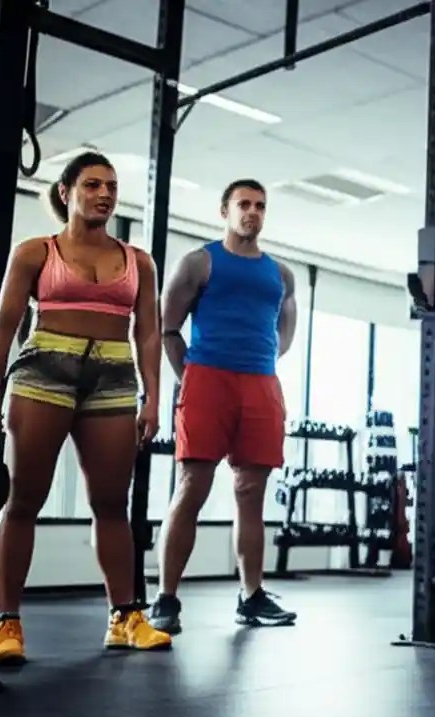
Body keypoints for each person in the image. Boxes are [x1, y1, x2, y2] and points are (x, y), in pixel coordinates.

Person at [0, 151, 172, 664]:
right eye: (92, 185)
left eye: (110, 186)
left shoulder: (139, 262)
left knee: (112, 503)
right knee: (24, 500)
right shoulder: (35, 253)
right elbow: (2, 328)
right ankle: (6, 624)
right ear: (66, 193)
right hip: (45, 371)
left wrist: (153, 397)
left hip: (113, 376)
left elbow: (148, 333)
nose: (104, 194)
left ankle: (125, 616)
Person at [147, 179, 298, 633]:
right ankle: (166, 599)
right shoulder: (200, 262)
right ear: (224, 210)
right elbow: (168, 327)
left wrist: (264, 360)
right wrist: (191, 375)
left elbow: (285, 332)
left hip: (260, 384)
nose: (252, 212)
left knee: (251, 493)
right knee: (192, 484)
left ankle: (251, 596)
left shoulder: (282, 274)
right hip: (207, 379)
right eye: (244, 204)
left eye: (260, 206)